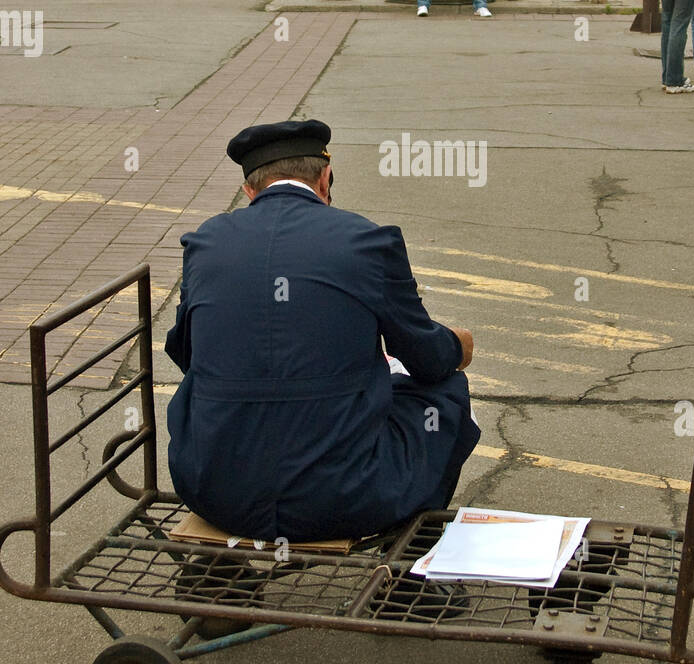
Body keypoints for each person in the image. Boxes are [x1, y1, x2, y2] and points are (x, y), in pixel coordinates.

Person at [165, 119, 480, 542]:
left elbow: (187, 355)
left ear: (250, 191)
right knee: (446, 392)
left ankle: (223, 570)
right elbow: (427, 358)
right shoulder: (367, 241)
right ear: (324, 177)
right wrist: (457, 347)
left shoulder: (206, 243)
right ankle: (408, 569)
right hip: (342, 500)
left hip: (213, 490)